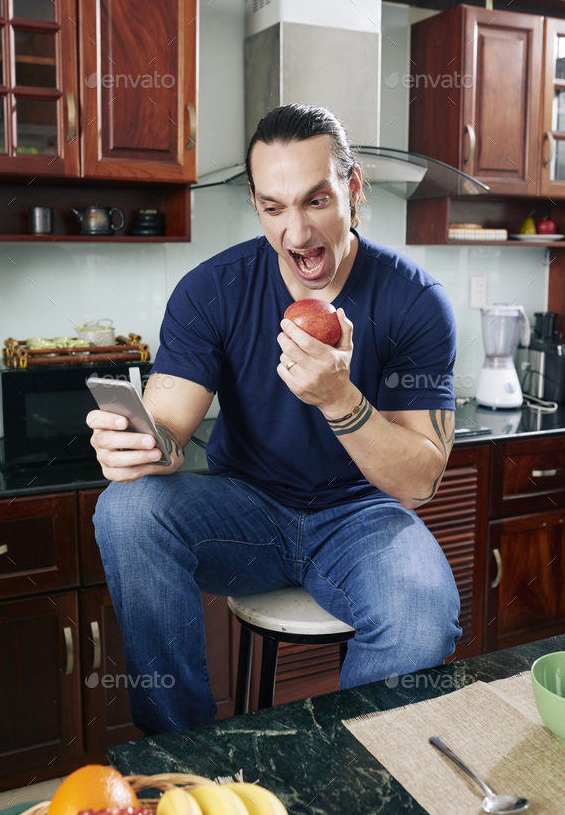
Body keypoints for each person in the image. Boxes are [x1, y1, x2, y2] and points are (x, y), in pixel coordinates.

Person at [89, 103, 461, 737]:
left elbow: (419, 481)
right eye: (273, 207)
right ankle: (183, 760)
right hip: (245, 512)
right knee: (125, 510)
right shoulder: (213, 290)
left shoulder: (414, 302)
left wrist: (340, 400)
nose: (297, 232)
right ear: (256, 205)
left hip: (362, 516)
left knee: (423, 618)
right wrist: (145, 448)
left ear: (352, 187)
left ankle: (355, 772)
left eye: (316, 200)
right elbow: (170, 429)